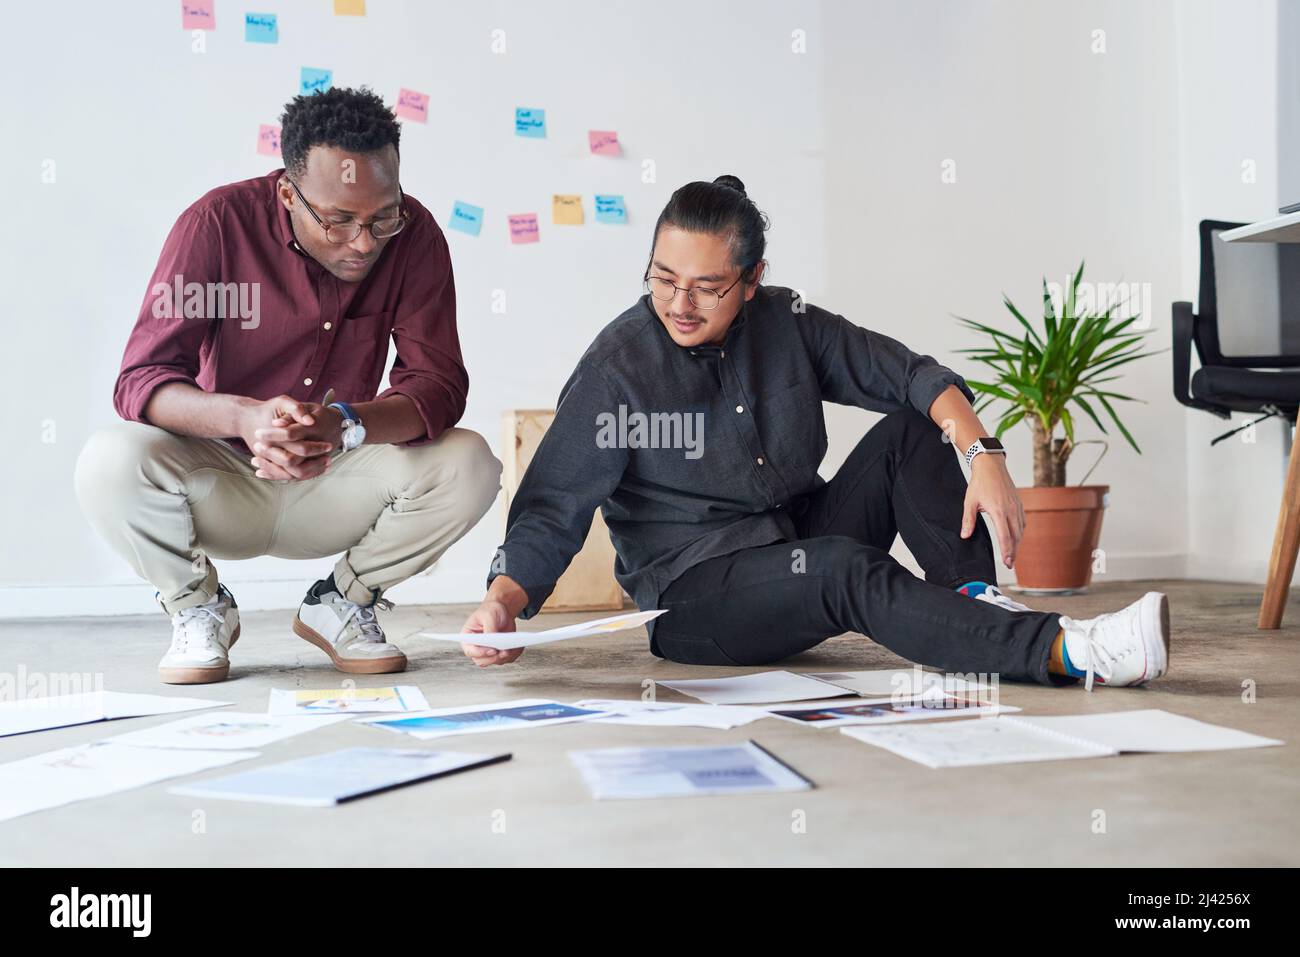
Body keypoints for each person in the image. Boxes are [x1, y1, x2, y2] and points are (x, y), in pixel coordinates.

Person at [458, 175, 1169, 691]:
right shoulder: (618, 369)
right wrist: (503, 598)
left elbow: (908, 374)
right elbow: (552, 507)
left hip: (793, 535)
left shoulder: (785, 319)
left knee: (910, 430)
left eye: (706, 286)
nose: (678, 303)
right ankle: (1071, 652)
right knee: (836, 568)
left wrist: (982, 452)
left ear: (751, 279)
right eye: (662, 277)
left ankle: (973, 605)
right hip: (696, 597)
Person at [75, 87, 501, 684]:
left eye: (383, 215)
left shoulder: (416, 236)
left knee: (470, 461)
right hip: (220, 479)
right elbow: (142, 381)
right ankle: (198, 609)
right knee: (108, 460)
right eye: (338, 220)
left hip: (336, 479)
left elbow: (438, 386)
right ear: (286, 193)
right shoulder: (217, 225)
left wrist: (348, 425)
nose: (364, 242)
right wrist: (245, 419)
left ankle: (344, 602)